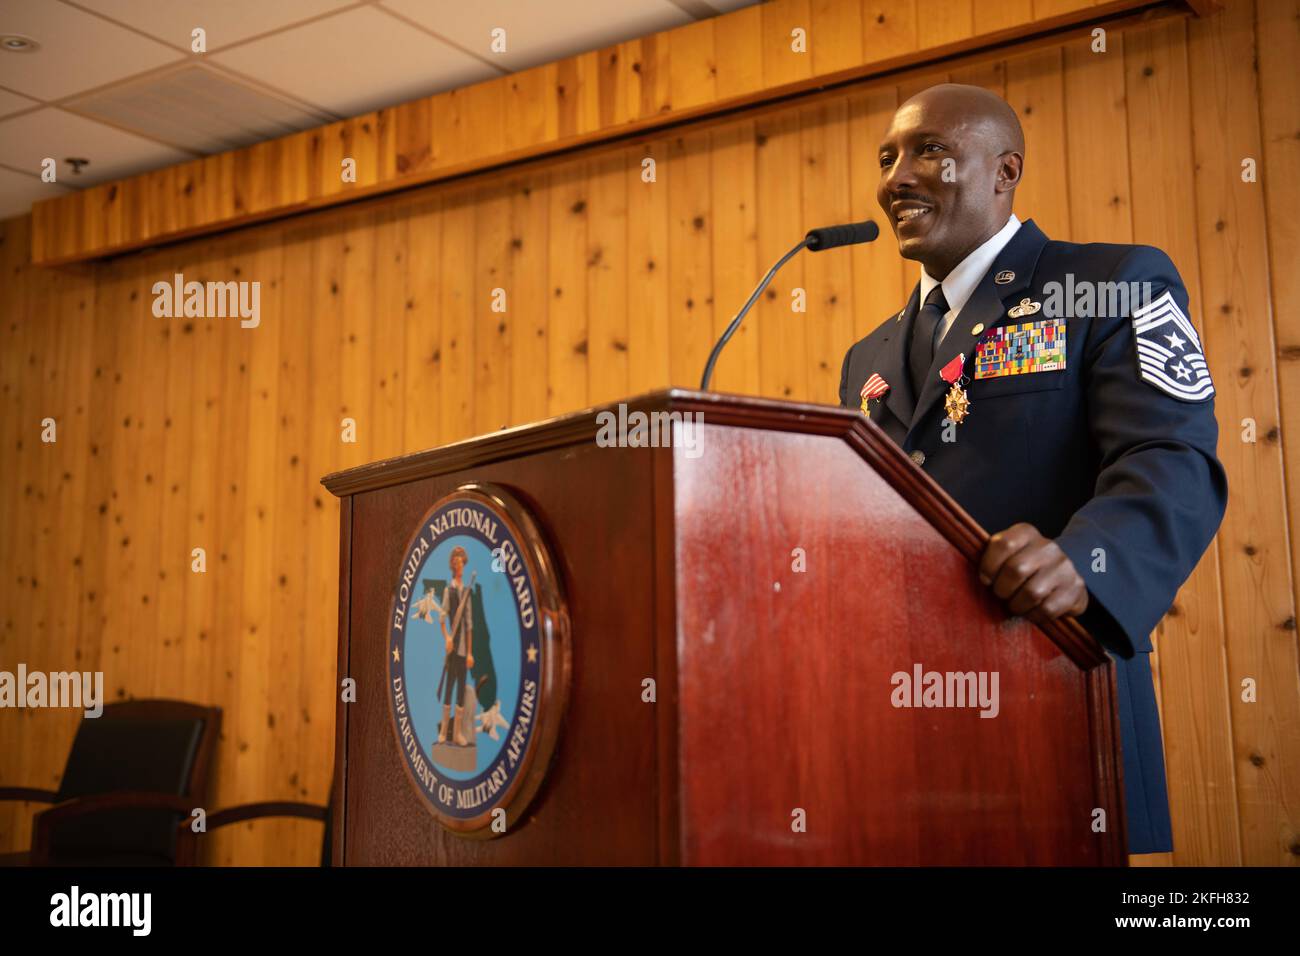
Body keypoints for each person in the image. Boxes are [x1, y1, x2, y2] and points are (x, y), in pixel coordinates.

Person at [838, 83, 1228, 854]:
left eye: (931, 152)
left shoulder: (1110, 283)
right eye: (887, 157)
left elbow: (1170, 457)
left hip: (1056, 684)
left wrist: (1085, 562)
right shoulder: (866, 359)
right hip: (906, 718)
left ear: (1003, 171)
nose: (896, 176)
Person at [438, 546, 475, 747]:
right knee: (449, 688)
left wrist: (469, 652)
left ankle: (457, 734)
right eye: (457, 563)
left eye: (462, 562)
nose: (460, 566)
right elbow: (442, 618)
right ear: (453, 566)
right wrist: (447, 638)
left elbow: (469, 625)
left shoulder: (467, 593)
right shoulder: (449, 590)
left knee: (461, 690)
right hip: (452, 649)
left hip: (462, 652)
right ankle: (444, 731)